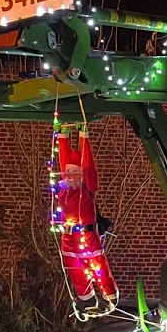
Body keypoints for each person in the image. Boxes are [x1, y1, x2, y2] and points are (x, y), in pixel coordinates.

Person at [54, 125, 119, 313]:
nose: (72, 177)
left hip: (88, 236)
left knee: (97, 266)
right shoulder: (63, 189)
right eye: (69, 174)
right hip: (69, 237)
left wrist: (83, 135)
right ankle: (87, 301)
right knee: (74, 268)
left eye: (76, 173)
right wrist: (62, 137)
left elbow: (88, 164)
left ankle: (110, 297)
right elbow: (64, 161)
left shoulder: (87, 186)